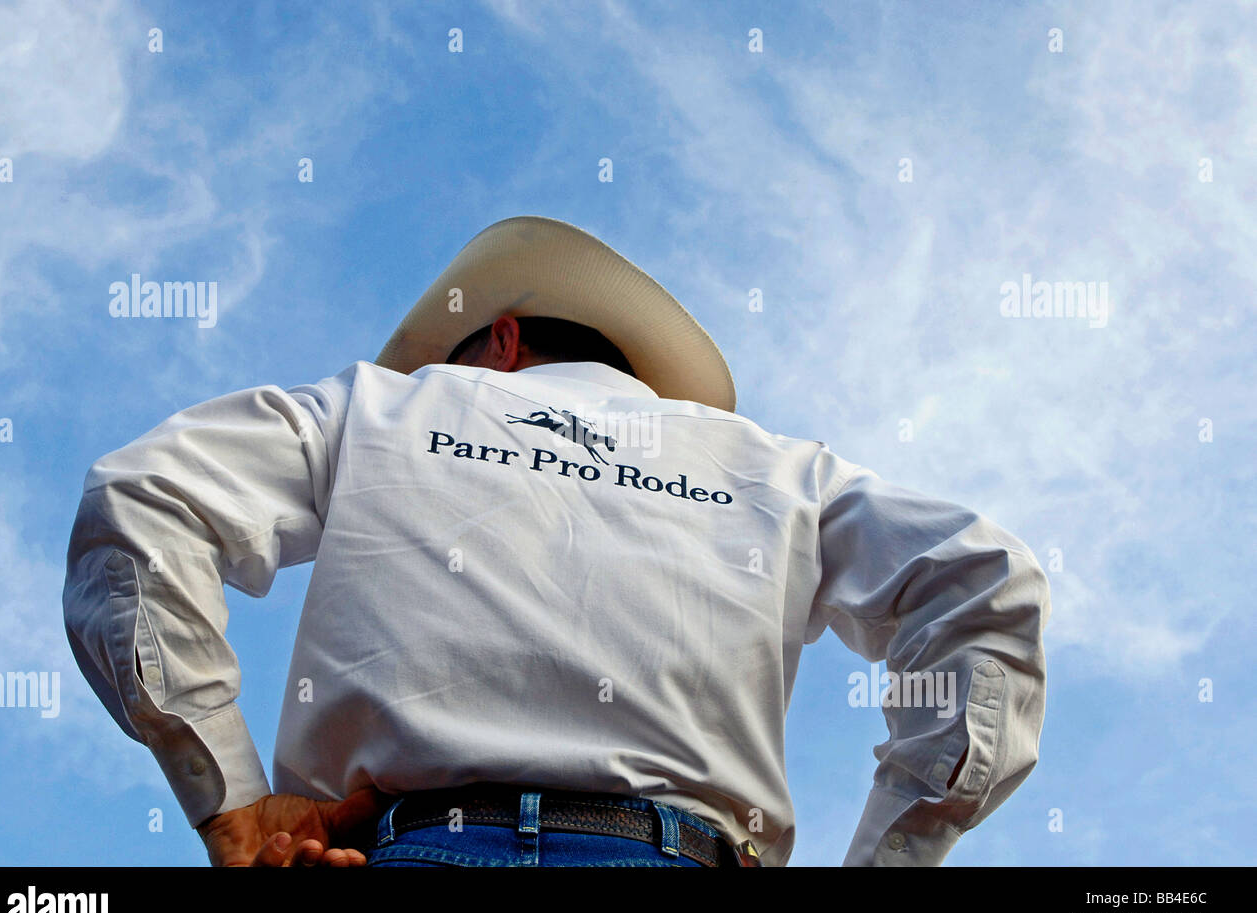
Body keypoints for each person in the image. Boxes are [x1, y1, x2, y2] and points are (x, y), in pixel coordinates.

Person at [62, 215, 1049, 867]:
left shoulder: (378, 410)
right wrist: (893, 854)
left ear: (497, 339)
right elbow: (982, 583)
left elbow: (144, 495)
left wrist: (227, 796)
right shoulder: (779, 470)